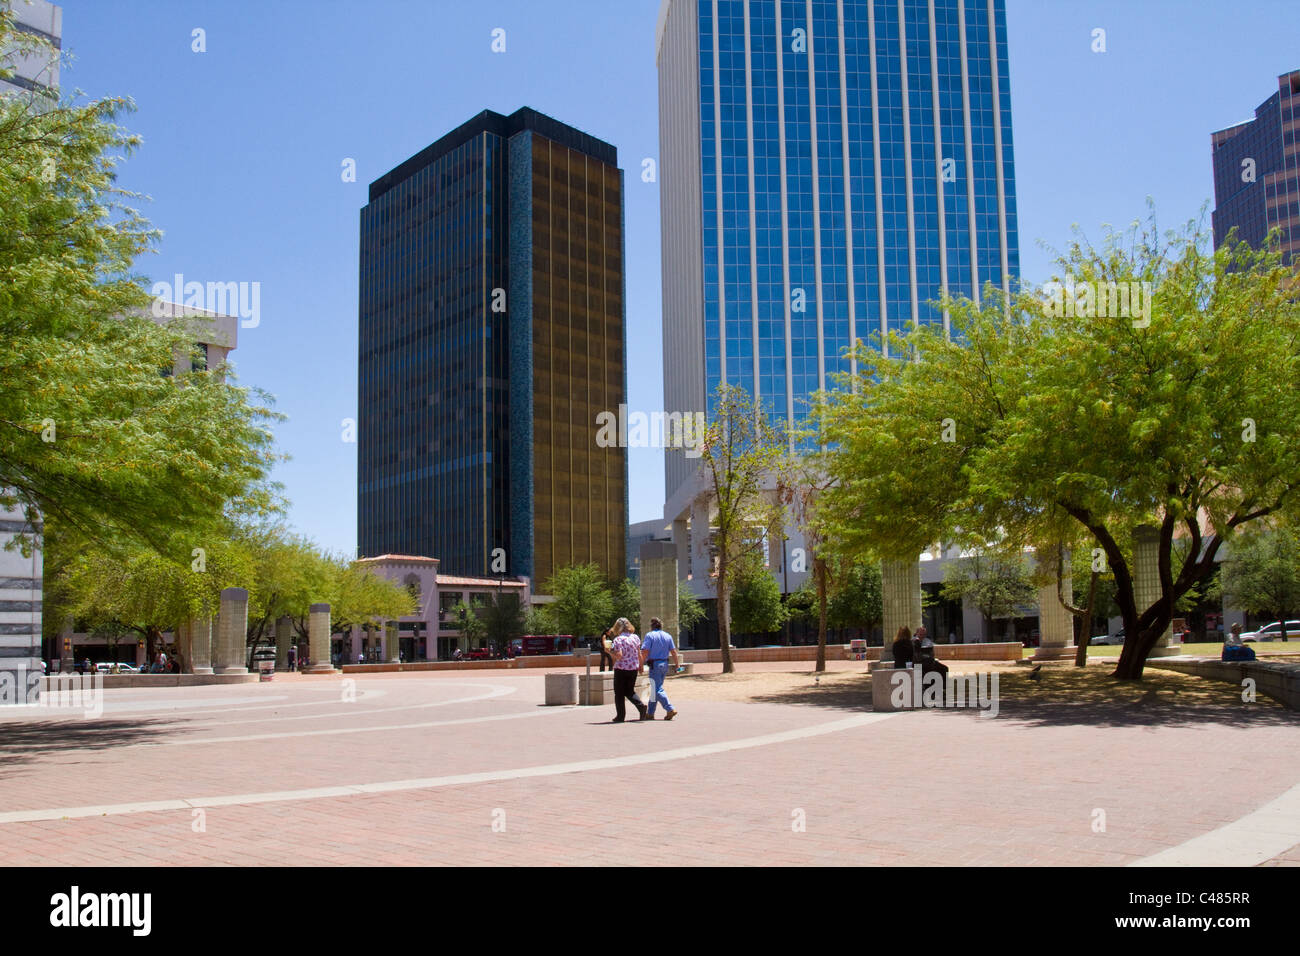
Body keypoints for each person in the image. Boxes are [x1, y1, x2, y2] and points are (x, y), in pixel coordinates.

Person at [608, 618, 648, 722]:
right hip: (633, 668)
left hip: (621, 668)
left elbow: (619, 656)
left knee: (619, 693)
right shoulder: (635, 638)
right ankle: (641, 706)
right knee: (629, 691)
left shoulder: (618, 640)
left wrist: (609, 651)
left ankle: (620, 716)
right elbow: (639, 653)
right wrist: (641, 665)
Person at [639, 617, 680, 721]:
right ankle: (650, 713)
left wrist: (640, 664)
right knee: (654, 689)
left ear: (652, 626)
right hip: (664, 663)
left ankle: (670, 708)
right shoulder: (667, 636)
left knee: (656, 689)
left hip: (655, 664)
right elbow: (674, 652)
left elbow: (645, 651)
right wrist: (677, 665)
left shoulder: (650, 635)